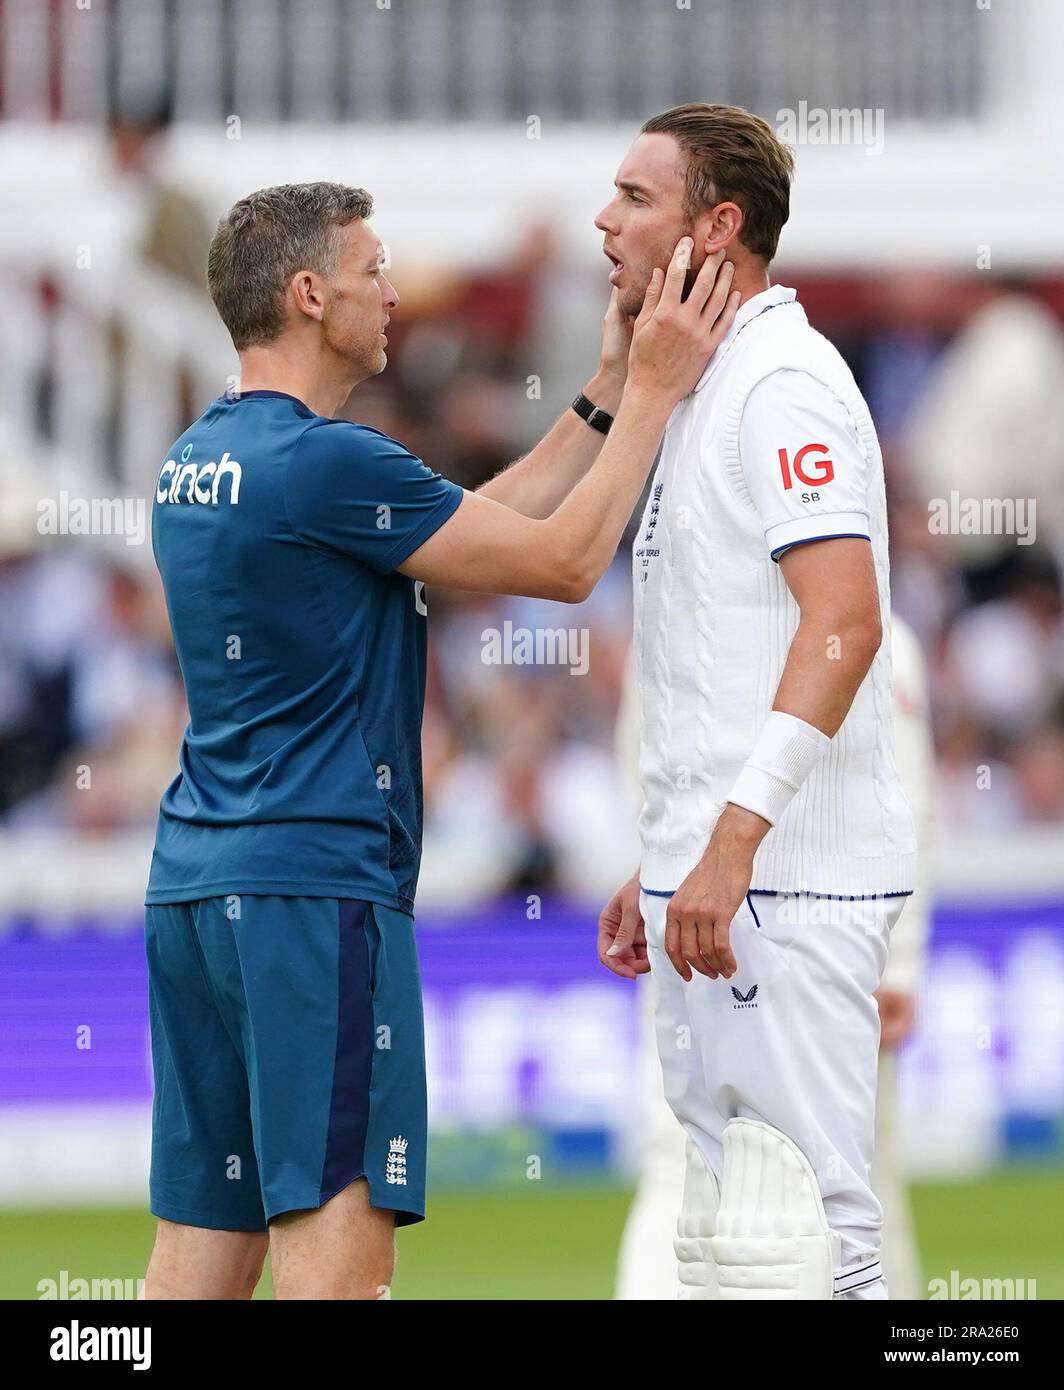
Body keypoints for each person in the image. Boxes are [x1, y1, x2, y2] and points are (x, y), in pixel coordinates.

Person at [141, 180, 739, 1300]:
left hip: (195, 886)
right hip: (316, 894)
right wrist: (658, 389)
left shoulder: (201, 460)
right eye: (374, 271)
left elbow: (482, 530)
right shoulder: (329, 461)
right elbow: (560, 563)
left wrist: (606, 388)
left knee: (196, 1259)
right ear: (312, 294)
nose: (395, 292)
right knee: (341, 1268)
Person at [596, 105, 916, 1301]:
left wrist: (729, 840)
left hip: (786, 885)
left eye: (634, 197)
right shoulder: (707, 383)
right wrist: (674, 848)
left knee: (808, 1248)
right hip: (729, 883)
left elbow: (845, 620)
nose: (603, 218)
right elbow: (722, 650)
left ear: (717, 227)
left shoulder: (783, 383)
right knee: (728, 1251)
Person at [612, 614, 934, 1300]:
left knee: (814, 1170)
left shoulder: (864, 627)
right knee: (700, 1156)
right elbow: (642, 766)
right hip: (724, 924)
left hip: (794, 930)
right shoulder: (679, 607)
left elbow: (903, 794)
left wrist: (898, 958)